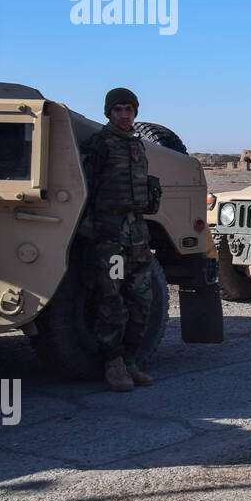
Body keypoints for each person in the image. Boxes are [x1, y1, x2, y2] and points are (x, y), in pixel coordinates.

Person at [80, 88, 160, 392]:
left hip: (137, 233)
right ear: (108, 113)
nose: (124, 115)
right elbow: (85, 191)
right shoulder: (99, 145)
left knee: (142, 298)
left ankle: (129, 361)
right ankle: (112, 364)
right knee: (111, 300)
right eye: (118, 110)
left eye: (129, 109)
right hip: (108, 235)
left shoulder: (138, 146)